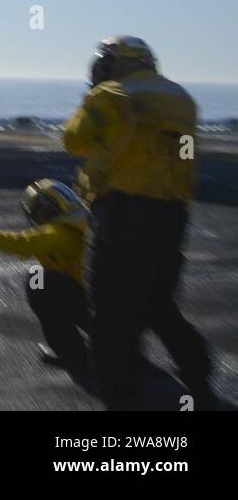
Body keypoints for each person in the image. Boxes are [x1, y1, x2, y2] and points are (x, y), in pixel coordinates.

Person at [62, 35, 217, 410]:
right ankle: (197, 374)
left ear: (113, 62)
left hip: (122, 212)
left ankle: (118, 395)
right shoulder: (181, 98)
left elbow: (72, 140)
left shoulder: (110, 95)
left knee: (111, 311)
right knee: (158, 303)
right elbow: (186, 153)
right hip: (171, 215)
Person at [0, 179, 91, 386]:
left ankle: (75, 355)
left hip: (96, 307)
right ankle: (99, 348)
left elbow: (24, 243)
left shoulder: (58, 233)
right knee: (43, 275)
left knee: (38, 280)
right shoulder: (83, 218)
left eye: (37, 212)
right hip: (113, 304)